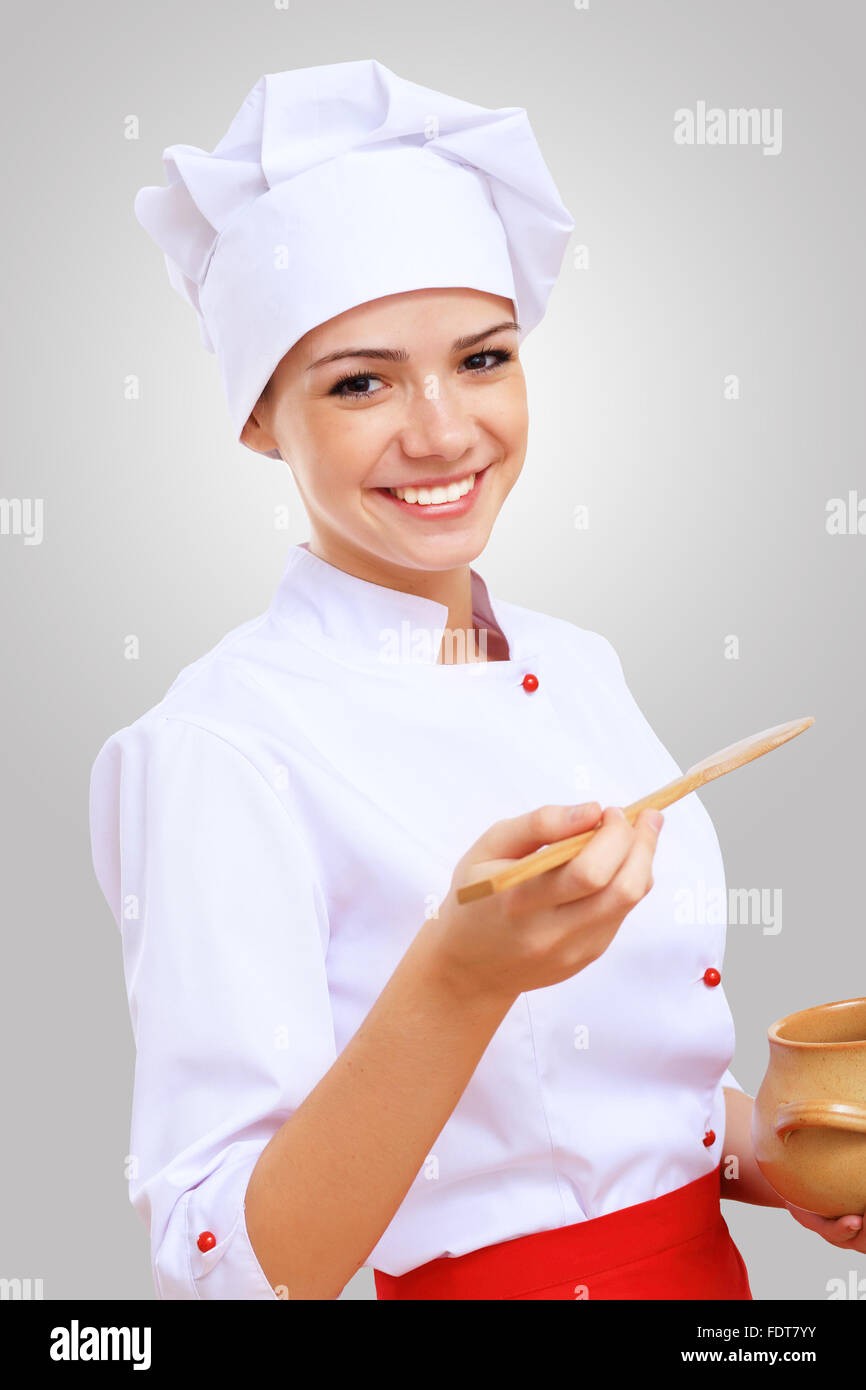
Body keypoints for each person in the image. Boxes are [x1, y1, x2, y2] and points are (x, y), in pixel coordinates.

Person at [89, 59, 864, 1301]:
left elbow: (581, 1096)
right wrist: (460, 975)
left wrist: (777, 1152)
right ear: (256, 415)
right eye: (360, 380)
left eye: (483, 358)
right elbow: (221, 1266)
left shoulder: (572, 661)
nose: (443, 431)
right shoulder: (218, 746)